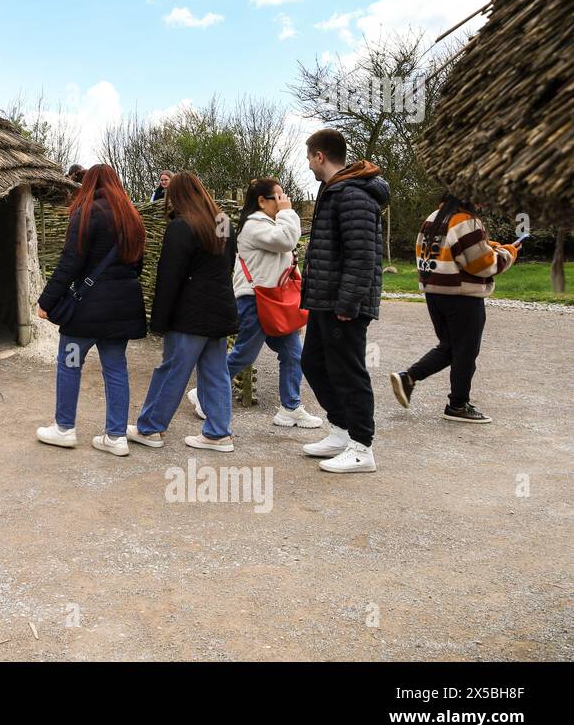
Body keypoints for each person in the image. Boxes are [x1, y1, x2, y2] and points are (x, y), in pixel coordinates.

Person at [187, 178, 322, 429]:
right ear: (262, 201)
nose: (283, 201)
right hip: (255, 299)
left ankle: (290, 408)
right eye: (278, 197)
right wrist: (288, 212)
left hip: (277, 301)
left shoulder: (272, 222)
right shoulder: (253, 225)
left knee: (293, 354)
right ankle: (202, 393)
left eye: (285, 197)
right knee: (243, 355)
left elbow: (285, 256)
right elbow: (287, 241)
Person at [35, 164, 148, 456]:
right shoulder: (132, 217)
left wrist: (46, 301)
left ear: (89, 183)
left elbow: (69, 262)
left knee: (70, 362)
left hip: (86, 310)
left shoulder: (86, 212)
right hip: (121, 308)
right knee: (115, 368)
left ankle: (64, 428)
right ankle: (116, 437)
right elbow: (138, 266)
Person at [298, 128, 390, 473]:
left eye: (309, 157)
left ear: (320, 156)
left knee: (349, 371)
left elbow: (363, 255)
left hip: (344, 303)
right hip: (325, 299)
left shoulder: (353, 194)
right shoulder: (333, 192)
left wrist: (349, 303)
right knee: (314, 363)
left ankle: (362, 447)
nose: (308, 164)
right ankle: (340, 430)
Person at [131, 171, 238, 452]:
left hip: (190, 315)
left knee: (171, 371)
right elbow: (228, 264)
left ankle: (150, 428)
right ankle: (218, 433)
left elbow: (170, 277)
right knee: (216, 372)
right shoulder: (223, 221)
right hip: (220, 309)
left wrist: (159, 322)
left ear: (175, 196)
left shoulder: (182, 226)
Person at [389, 195, 519, 423]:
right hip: (462, 296)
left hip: (435, 294)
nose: (482, 203)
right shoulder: (466, 221)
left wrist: (491, 247)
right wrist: (508, 253)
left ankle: (408, 378)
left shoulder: (434, 218)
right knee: (466, 352)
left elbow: (456, 250)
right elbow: (484, 265)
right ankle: (458, 405)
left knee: (450, 347)